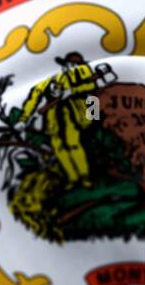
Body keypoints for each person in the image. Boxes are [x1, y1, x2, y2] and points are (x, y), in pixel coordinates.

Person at [20, 51, 99, 187]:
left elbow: (92, 89)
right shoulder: (50, 80)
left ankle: (84, 176)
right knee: (58, 147)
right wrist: (24, 118)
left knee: (73, 144)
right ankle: (72, 178)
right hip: (53, 117)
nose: (72, 67)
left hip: (74, 113)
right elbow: (34, 97)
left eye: (76, 65)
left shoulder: (84, 73)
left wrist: (93, 115)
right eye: (70, 64)